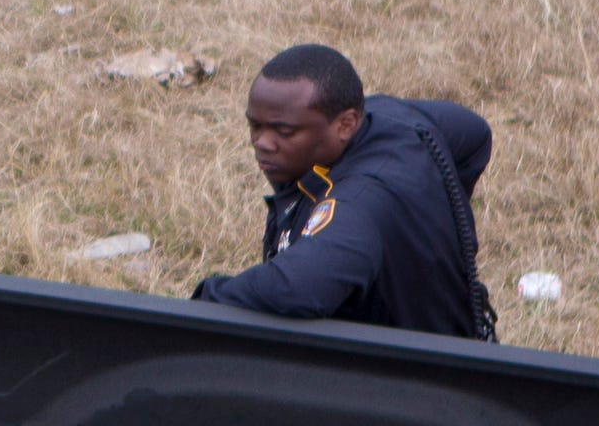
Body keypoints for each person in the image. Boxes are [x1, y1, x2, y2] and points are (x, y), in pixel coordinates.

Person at [194, 43, 498, 340]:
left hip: (413, 376)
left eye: (284, 132)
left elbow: (298, 287)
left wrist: (207, 296)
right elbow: (472, 132)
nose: (262, 142)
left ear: (345, 124)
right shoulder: (388, 119)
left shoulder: (357, 205)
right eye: (255, 126)